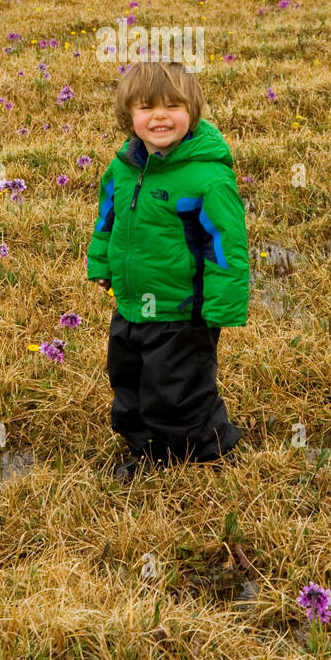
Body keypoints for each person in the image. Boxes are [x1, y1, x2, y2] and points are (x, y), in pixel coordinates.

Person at [87, 59, 249, 481]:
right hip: (132, 303)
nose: (160, 116)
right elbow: (109, 218)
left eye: (173, 105)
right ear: (130, 117)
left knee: (178, 389)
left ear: (193, 112)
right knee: (128, 378)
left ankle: (211, 452)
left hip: (182, 310)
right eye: (146, 107)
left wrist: (222, 306)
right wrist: (101, 262)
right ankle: (147, 451)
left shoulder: (207, 177)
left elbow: (226, 245)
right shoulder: (124, 167)